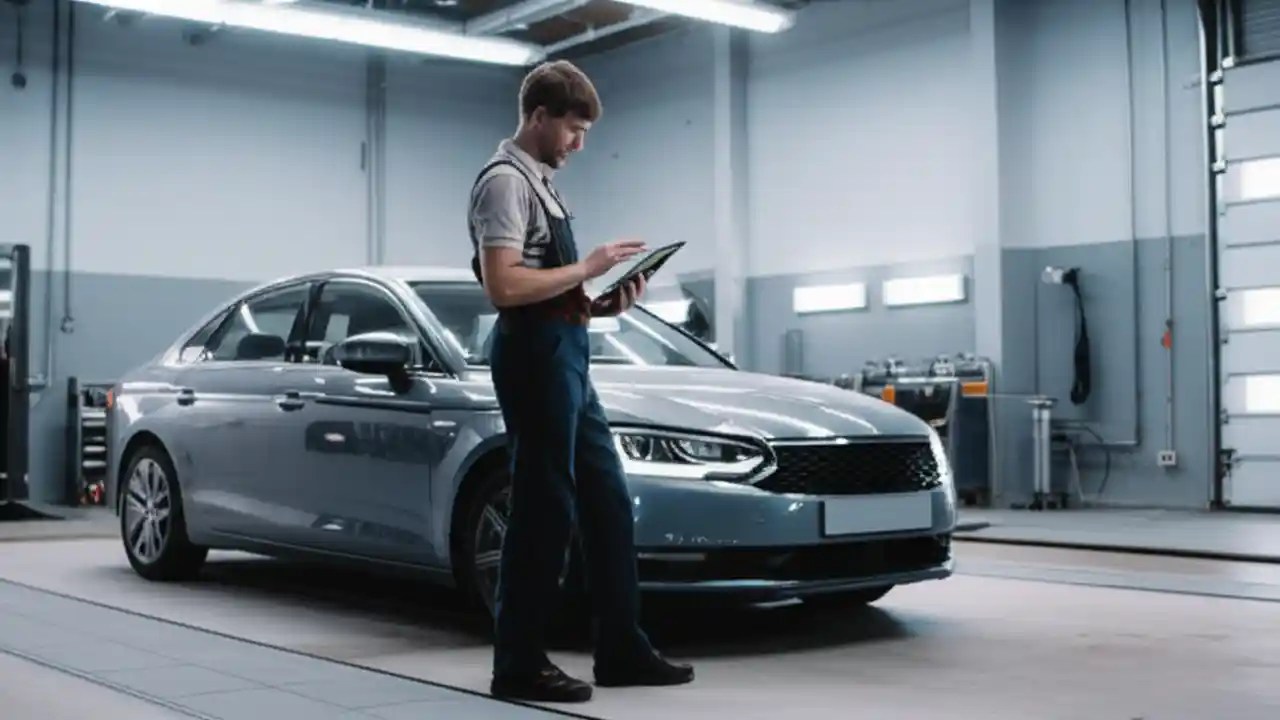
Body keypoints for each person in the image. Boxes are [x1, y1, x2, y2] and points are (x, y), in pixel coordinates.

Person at [467, 60, 695, 703]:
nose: (579, 143)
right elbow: (504, 285)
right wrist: (589, 265)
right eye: (573, 129)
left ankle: (621, 646)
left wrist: (601, 303)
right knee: (545, 505)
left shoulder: (541, 182)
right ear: (538, 117)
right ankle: (517, 662)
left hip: (566, 351)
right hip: (534, 359)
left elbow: (546, 286)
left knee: (606, 499)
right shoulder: (503, 183)